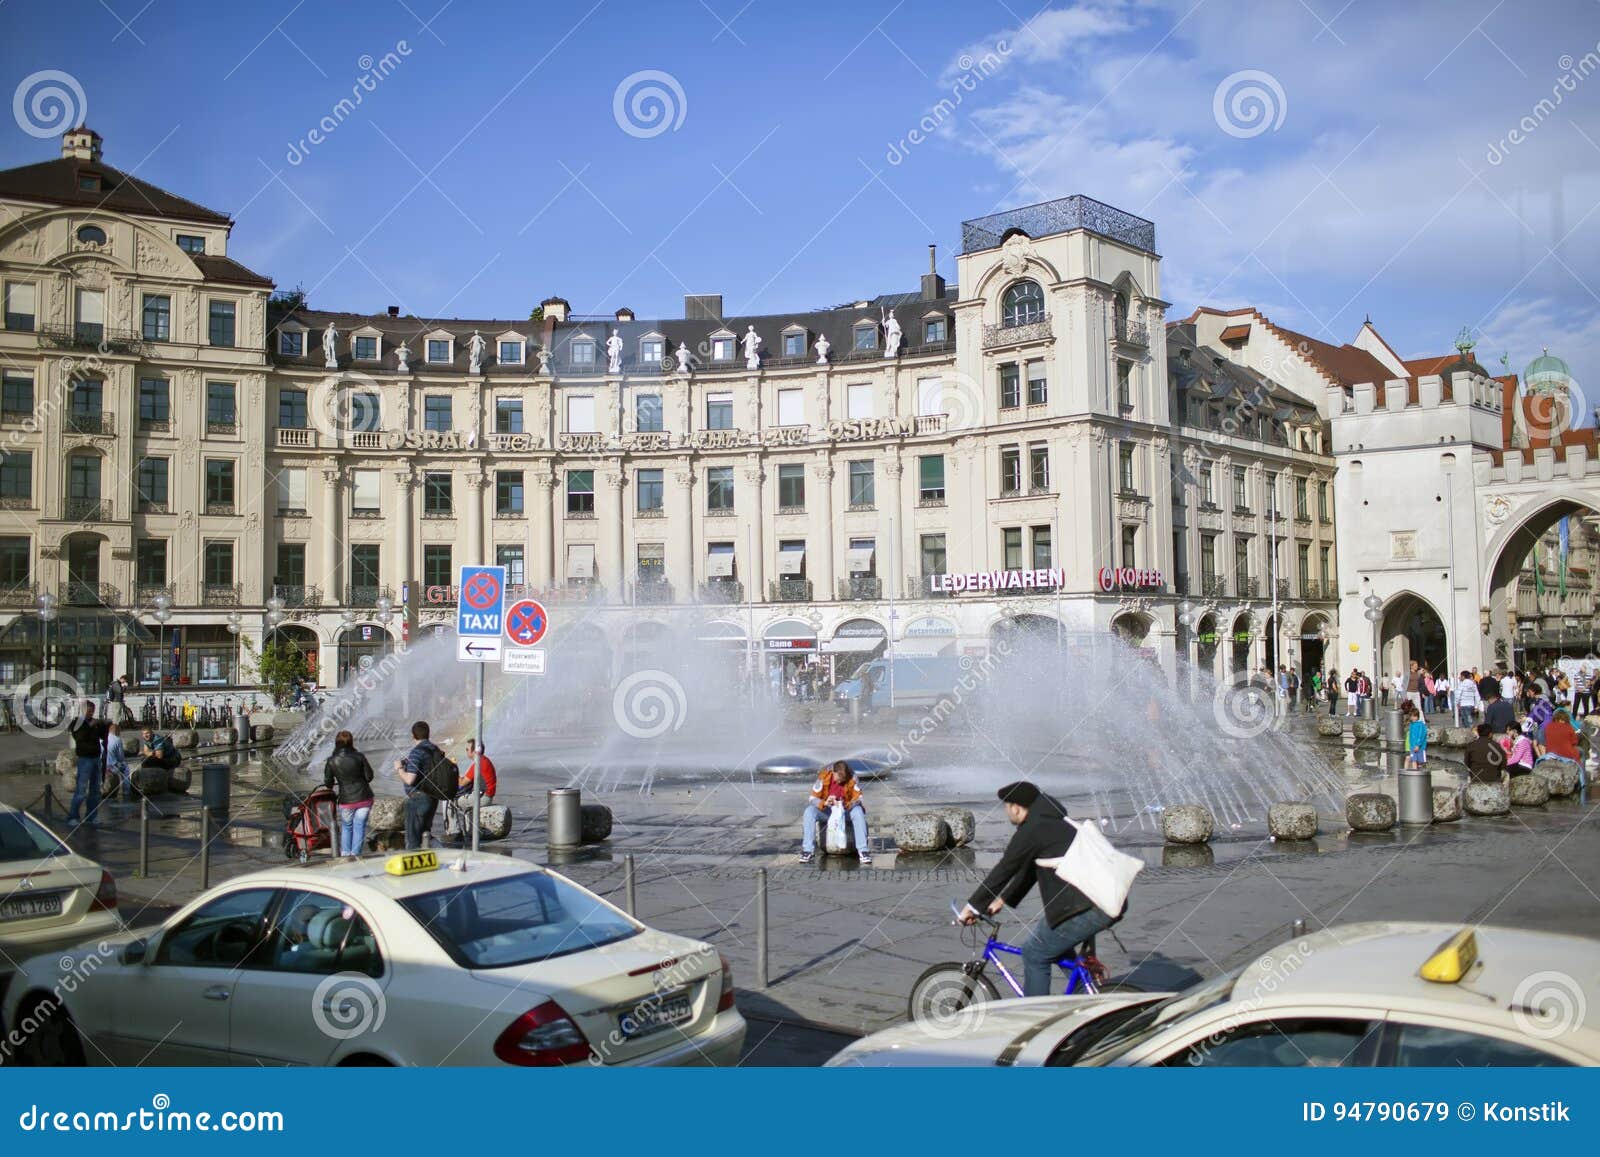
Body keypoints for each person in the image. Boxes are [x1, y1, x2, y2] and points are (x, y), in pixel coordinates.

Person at [959, 781, 1119, 998]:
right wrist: (1002, 900)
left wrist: (972, 907)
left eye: (1006, 806)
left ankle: (1033, 1016)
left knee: (1034, 954)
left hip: (1088, 906)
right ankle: (1086, 998)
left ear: (1016, 807)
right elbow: (1031, 869)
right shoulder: (1051, 822)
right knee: (1057, 946)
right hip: (1097, 899)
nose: (1007, 812)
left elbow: (1005, 868)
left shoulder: (1034, 829)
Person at [798, 760, 871, 865]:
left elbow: (859, 798)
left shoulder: (853, 777)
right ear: (833, 772)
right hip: (827, 811)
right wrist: (825, 802)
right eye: (838, 779)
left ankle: (863, 851)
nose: (840, 782)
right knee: (809, 811)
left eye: (843, 780)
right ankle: (807, 850)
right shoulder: (824, 775)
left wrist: (844, 804)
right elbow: (812, 798)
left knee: (858, 811)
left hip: (845, 811)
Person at [394, 720, 450, 849]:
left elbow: (409, 780)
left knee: (413, 839)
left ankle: (415, 864)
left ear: (413, 736)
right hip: (432, 797)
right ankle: (442, 854)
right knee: (426, 834)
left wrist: (399, 768)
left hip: (418, 798)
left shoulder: (416, 752)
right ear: (428, 734)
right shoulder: (435, 750)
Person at [323, 729, 376, 858]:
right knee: (359, 826)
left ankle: (345, 854)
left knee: (347, 827)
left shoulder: (331, 760)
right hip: (364, 798)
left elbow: (328, 783)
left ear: (337, 743)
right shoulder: (359, 756)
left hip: (346, 801)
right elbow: (369, 777)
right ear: (351, 742)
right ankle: (356, 855)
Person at [66, 700, 109, 826]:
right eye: (88, 711)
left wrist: (105, 725)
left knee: (95, 790)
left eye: (92, 711)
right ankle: (73, 816)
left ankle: (91, 816)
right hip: (85, 759)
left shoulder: (94, 723)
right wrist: (90, 726)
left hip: (96, 758)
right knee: (81, 789)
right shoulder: (77, 723)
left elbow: (103, 735)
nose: (90, 714)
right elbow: (80, 737)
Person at [446, 738, 498, 840]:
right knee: (465, 804)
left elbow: (461, 783)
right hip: (485, 795)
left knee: (451, 802)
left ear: (474, 751)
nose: (466, 751)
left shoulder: (478, 764)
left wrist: (454, 767)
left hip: (483, 797)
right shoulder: (484, 760)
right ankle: (469, 833)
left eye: (467, 749)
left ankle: (454, 832)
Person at [103, 721, 131, 798]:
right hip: (110, 767)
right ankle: (126, 790)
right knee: (125, 767)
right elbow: (121, 758)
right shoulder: (117, 740)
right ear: (117, 731)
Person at [1403, 703, 1428, 769]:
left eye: (1415, 716)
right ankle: (1414, 773)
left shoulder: (1420, 725)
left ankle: (1419, 773)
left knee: (1420, 761)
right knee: (1413, 760)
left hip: (1420, 747)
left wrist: (1418, 745)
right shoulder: (1411, 724)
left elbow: (1421, 735)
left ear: (1418, 716)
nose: (1413, 718)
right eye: (1412, 716)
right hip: (1412, 746)